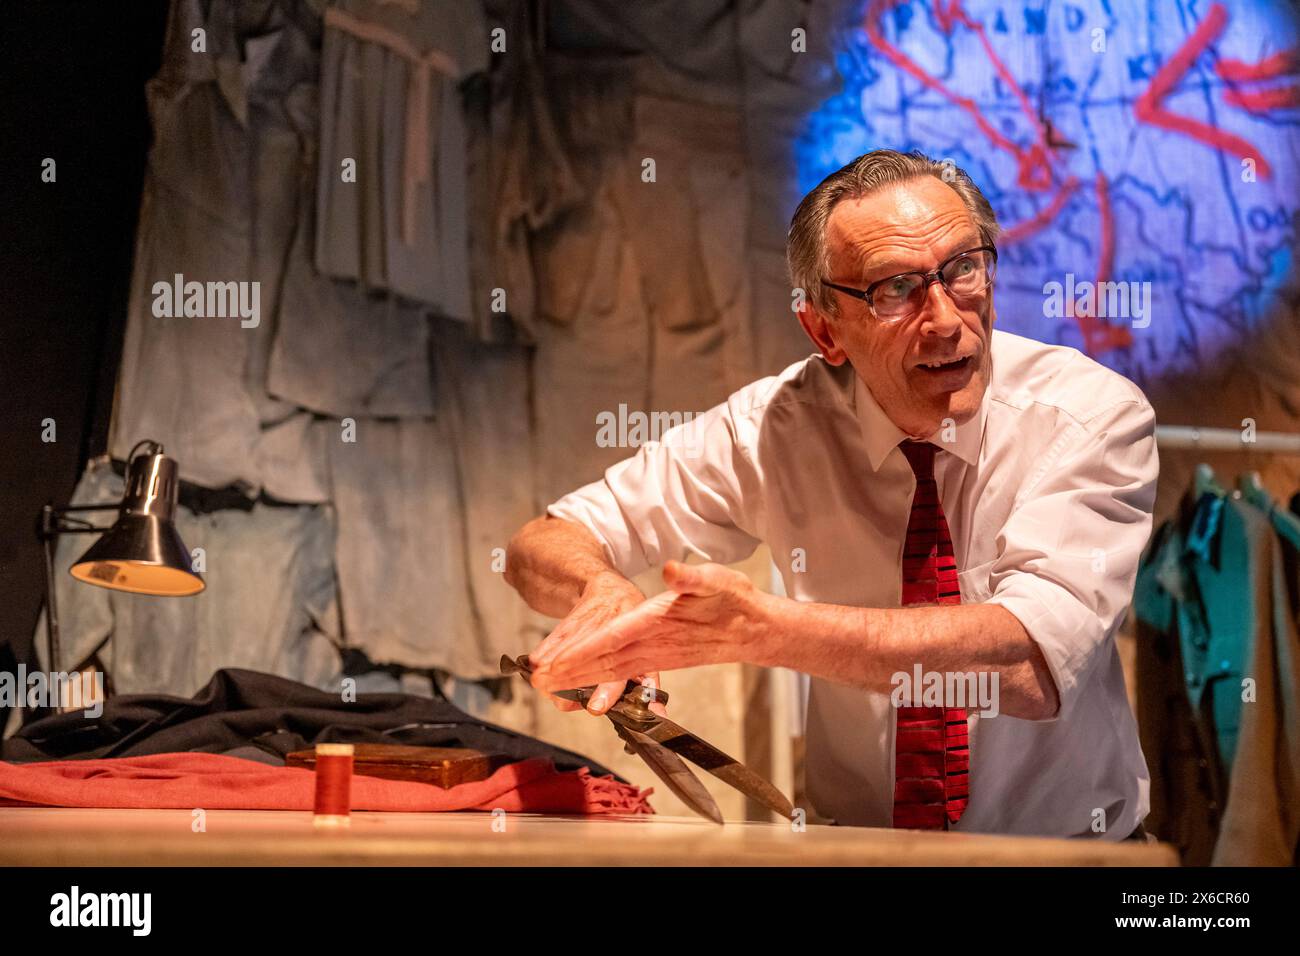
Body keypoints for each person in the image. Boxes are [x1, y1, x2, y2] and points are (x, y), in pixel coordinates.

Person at [504, 149, 1157, 838]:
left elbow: (1030, 664)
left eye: (963, 267)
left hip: (1065, 854)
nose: (944, 319)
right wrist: (599, 589)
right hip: (862, 853)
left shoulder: (1090, 417)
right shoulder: (772, 427)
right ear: (824, 330)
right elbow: (538, 544)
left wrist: (762, 630)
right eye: (895, 289)